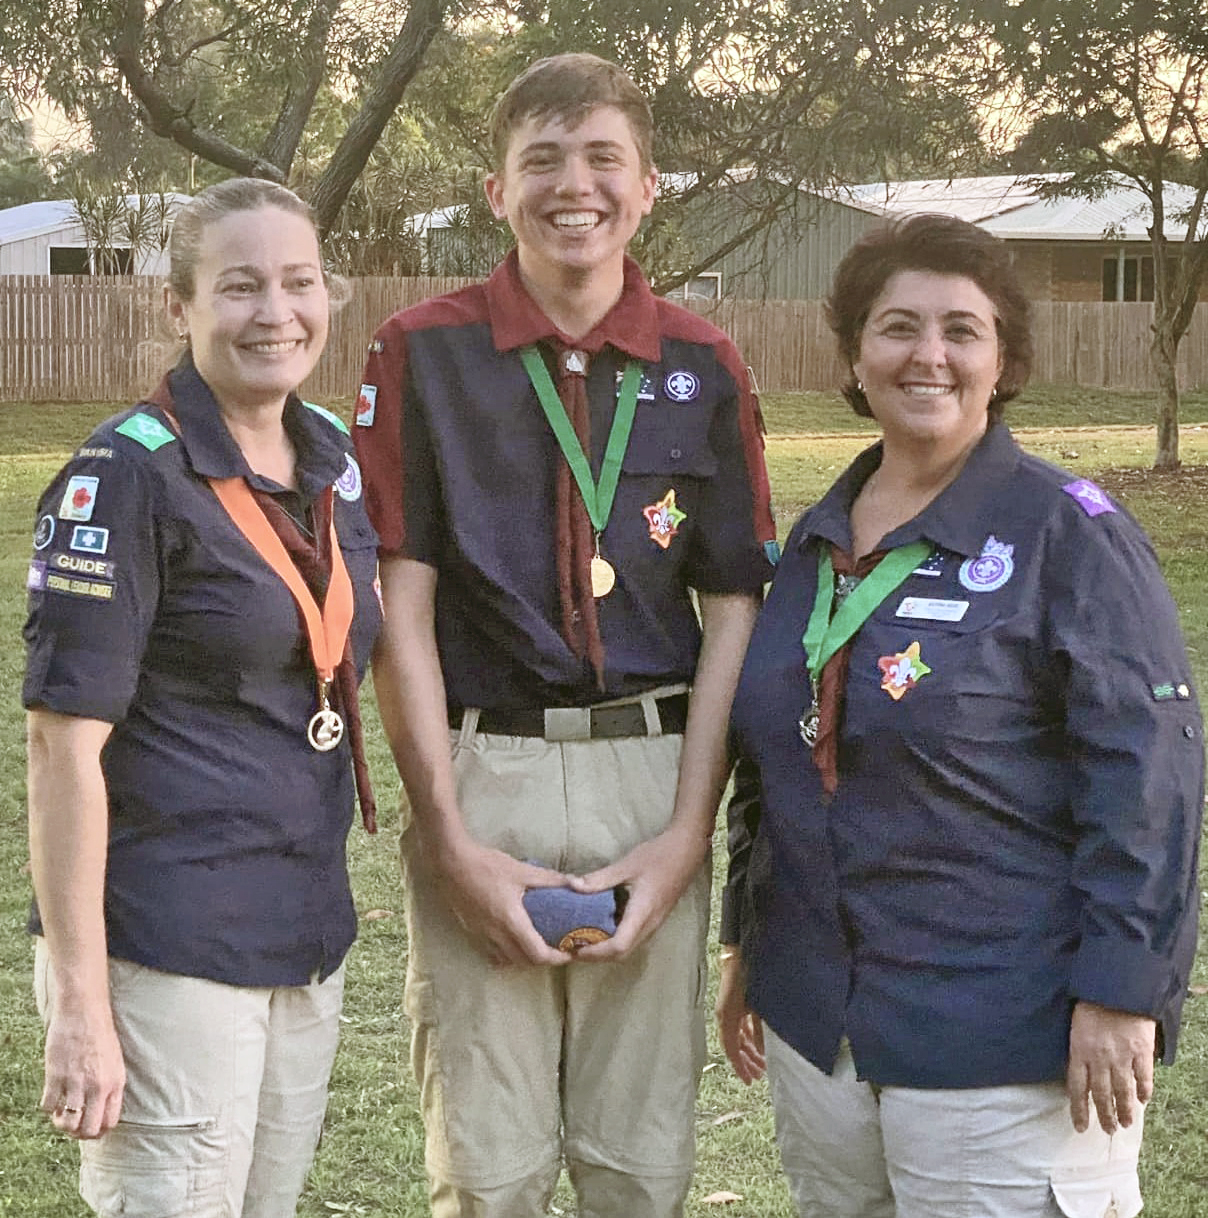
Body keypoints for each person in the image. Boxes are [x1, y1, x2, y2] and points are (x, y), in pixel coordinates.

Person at [353, 52, 776, 1218]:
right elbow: (403, 603)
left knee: (640, 1166)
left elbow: (733, 600)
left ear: (648, 185)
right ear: (495, 189)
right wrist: (444, 833)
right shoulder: (420, 352)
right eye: (539, 159)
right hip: (483, 766)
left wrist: (689, 830)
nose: (571, 185)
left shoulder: (701, 363)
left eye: (601, 158)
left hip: (654, 770)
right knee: (485, 1170)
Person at [716, 212, 1203, 1218]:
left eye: (959, 329)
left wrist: (1121, 991)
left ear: (1003, 359)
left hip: (1002, 1039)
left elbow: (1147, 777)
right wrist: (746, 945)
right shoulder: (813, 543)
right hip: (824, 1035)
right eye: (896, 326)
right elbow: (770, 757)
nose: (924, 354)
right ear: (853, 352)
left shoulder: (1068, 533)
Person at [24, 177, 381, 1218]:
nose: (275, 312)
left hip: (301, 934)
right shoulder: (124, 476)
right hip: (169, 945)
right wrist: (83, 1007)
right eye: (239, 287)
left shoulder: (328, 456)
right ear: (177, 307)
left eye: (298, 282)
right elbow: (60, 750)